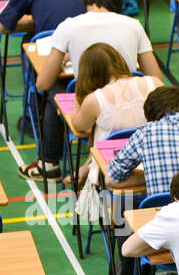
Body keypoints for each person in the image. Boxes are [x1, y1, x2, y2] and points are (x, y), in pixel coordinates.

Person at [28, 0, 161, 180]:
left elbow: (42, 82)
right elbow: (155, 77)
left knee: (51, 90)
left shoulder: (69, 26)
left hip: (92, 104)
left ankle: (49, 161)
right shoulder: (133, 24)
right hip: (131, 103)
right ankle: (86, 164)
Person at [67, 42, 162, 200]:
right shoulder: (154, 82)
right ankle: (86, 167)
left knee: (100, 136)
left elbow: (78, 126)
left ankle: (87, 168)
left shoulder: (95, 99)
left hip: (116, 174)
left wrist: (80, 88)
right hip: (156, 165)